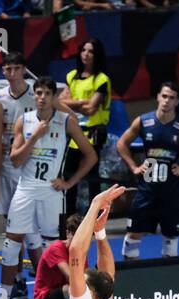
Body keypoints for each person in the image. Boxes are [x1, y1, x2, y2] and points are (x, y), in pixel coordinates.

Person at [0, 77, 96, 299]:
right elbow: (15, 159)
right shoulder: (25, 121)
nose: (42, 97)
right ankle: (3, 297)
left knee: (54, 245)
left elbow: (91, 155)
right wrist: (35, 137)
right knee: (11, 243)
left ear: (53, 97)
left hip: (52, 192)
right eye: (38, 93)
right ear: (34, 96)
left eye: (46, 93)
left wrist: (70, 182)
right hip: (26, 188)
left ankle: (57, 296)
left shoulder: (66, 122)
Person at [117, 80, 179, 259]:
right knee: (133, 235)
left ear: (177, 101)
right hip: (146, 190)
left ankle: (167, 282)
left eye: (172, 98)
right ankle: (132, 278)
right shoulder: (144, 121)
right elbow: (122, 143)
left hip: (172, 192)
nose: (167, 101)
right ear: (158, 97)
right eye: (164, 96)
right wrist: (134, 167)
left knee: (170, 240)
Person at [0, 51, 35, 299]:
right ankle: (18, 278)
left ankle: (41, 279)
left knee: (36, 231)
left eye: (16, 69)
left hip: (34, 167)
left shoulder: (37, 94)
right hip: (9, 167)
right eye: (7, 69)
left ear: (24, 70)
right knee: (13, 227)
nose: (11, 74)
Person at [59, 38, 109, 216]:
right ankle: (70, 217)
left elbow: (91, 109)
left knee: (92, 177)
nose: (86, 54)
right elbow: (60, 102)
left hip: (94, 134)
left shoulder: (101, 79)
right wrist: (81, 101)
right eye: (84, 50)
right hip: (74, 135)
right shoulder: (71, 76)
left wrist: (73, 104)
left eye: (91, 51)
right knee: (69, 174)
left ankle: (95, 217)